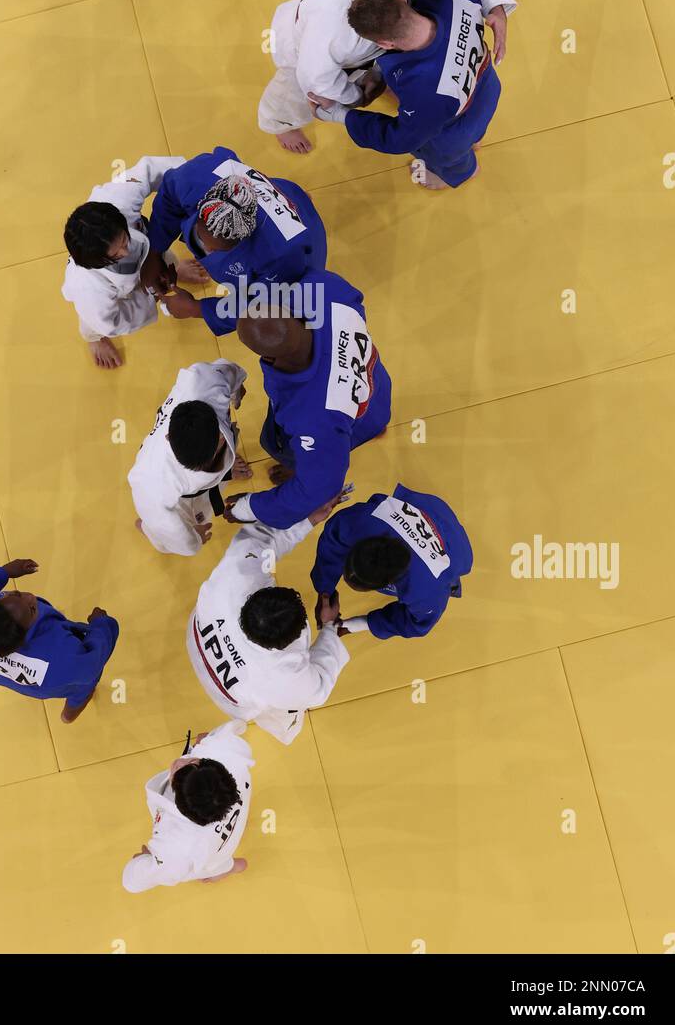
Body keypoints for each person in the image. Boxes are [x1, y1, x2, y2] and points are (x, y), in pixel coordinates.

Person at [257, 0, 515, 152]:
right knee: (294, 94)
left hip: (368, 40)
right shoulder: (331, 24)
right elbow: (314, 78)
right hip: (301, 48)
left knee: (396, 68)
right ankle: (280, 123)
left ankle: (392, 87)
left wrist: (495, 7)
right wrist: (355, 98)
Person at [224, 270, 392, 528]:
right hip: (376, 389)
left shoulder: (310, 418)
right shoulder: (323, 289)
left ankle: (294, 466)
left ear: (269, 359)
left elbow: (318, 488)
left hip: (344, 423)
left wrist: (248, 508)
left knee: (278, 445)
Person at [187, 499, 349, 744]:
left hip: (197, 635)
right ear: (288, 642)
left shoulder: (236, 579)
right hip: (236, 702)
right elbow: (319, 684)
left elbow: (264, 537)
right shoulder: (285, 677)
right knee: (288, 719)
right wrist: (329, 628)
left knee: (278, 694)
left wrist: (307, 519)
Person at [311, 0, 501, 188]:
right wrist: (377, 71)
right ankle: (475, 139)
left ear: (384, 44)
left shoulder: (424, 91)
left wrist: (338, 114)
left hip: (452, 133)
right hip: (488, 85)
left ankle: (464, 172)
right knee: (475, 129)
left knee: (447, 155)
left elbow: (400, 139)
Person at [143, 146, 328, 334]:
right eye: (202, 237)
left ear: (247, 235)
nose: (207, 251)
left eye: (217, 250)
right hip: (264, 201)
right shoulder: (198, 176)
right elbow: (169, 199)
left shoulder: (282, 255)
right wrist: (155, 251)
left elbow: (267, 305)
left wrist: (197, 309)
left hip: (301, 241)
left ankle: (300, 202)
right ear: (203, 206)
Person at [61, 155, 206, 369]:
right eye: (117, 253)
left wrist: (192, 182)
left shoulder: (114, 199)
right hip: (120, 291)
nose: (126, 250)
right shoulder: (88, 287)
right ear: (99, 262)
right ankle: (94, 340)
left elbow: (147, 169)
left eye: (123, 239)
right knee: (92, 324)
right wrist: (152, 293)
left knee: (165, 259)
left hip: (149, 246)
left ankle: (177, 270)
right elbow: (112, 322)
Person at [0, 558, 119, 724]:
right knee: (83, 687)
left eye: (16, 594)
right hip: (54, 682)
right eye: (33, 609)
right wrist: (100, 623)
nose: (30, 596)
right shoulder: (65, 657)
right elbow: (94, 660)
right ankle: (69, 714)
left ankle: (67, 716)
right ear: (22, 638)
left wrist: (3, 572)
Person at [311, 483, 473, 639]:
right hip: (427, 506)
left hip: (453, 542)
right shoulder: (357, 522)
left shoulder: (426, 590)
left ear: (389, 583)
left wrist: (357, 625)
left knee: (445, 581)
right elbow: (332, 541)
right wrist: (325, 591)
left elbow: (416, 623)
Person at [128, 359, 252, 556]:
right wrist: (194, 539)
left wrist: (237, 386)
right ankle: (145, 528)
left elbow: (228, 370)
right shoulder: (153, 481)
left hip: (202, 469)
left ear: (220, 439)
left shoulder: (206, 382)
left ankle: (224, 472)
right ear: (168, 437)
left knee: (216, 474)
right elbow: (174, 533)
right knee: (163, 538)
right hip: (178, 495)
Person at [122, 721, 254, 890]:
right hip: (232, 825)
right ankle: (231, 866)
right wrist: (208, 742)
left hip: (205, 856)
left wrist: (144, 862)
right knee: (217, 857)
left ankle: (229, 867)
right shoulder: (226, 752)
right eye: (194, 763)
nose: (179, 763)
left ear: (181, 807)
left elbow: (131, 882)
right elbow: (235, 727)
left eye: (177, 777)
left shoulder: (178, 847)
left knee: (203, 865)